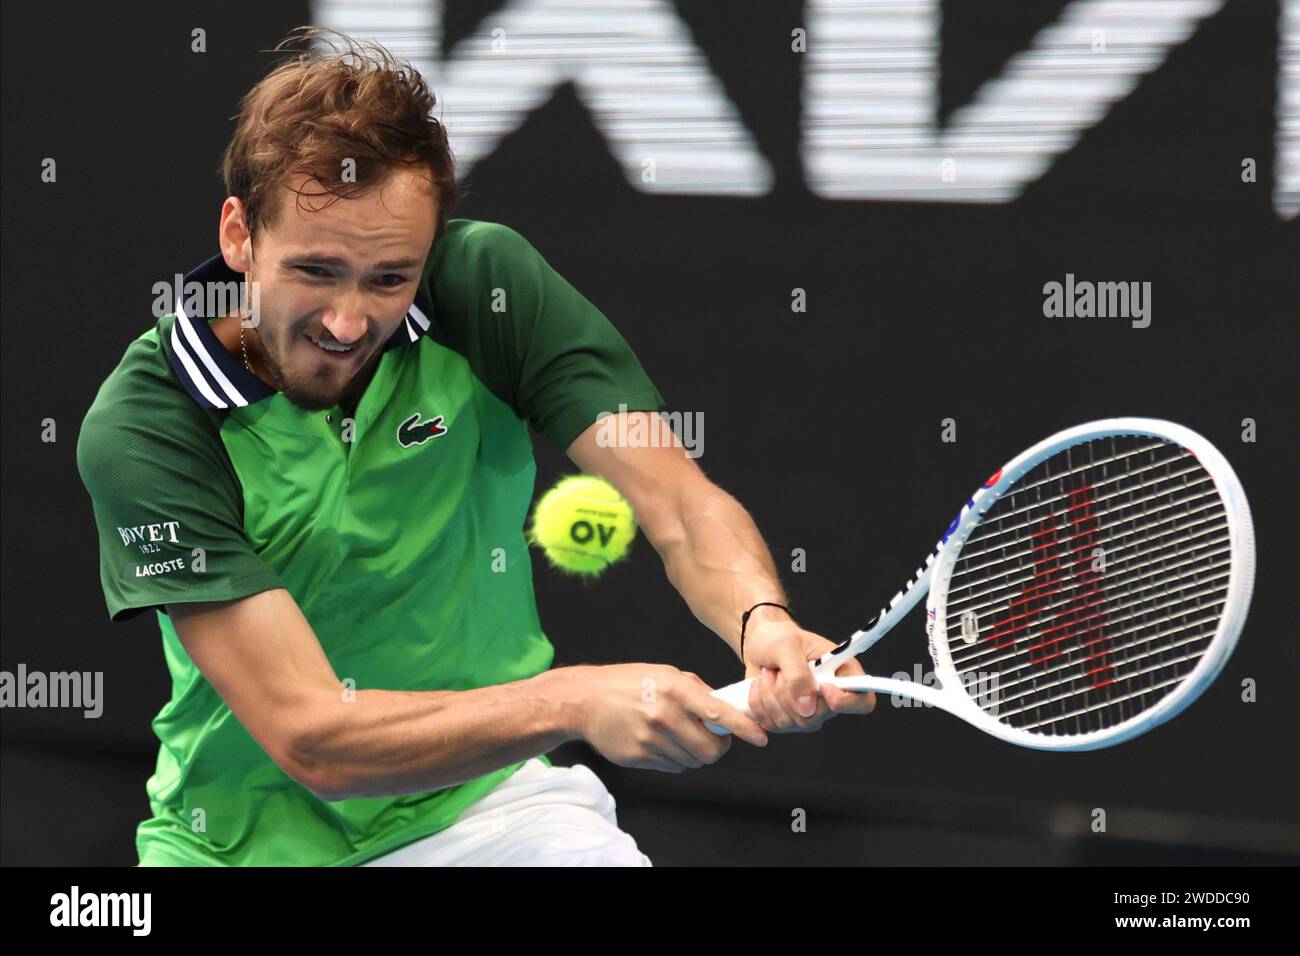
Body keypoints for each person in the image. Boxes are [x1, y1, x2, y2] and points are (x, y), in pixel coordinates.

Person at [75, 27, 873, 867]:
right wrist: (571, 701)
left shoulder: (490, 286)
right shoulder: (148, 427)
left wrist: (761, 620)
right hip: (235, 850)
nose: (348, 322)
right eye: (316, 271)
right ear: (240, 235)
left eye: (390, 277)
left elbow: (677, 500)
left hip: (484, 812)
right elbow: (313, 738)